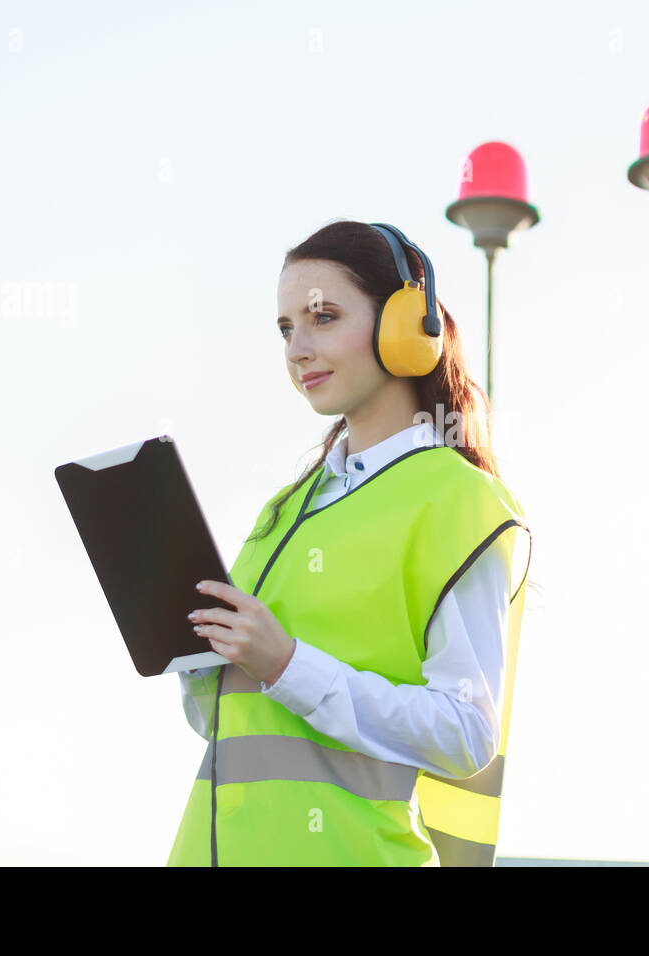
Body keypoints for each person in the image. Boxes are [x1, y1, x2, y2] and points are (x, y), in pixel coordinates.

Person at [166, 219, 532, 866]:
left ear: (404, 328)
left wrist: (286, 664)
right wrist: (194, 663)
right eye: (285, 330)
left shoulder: (456, 499)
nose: (297, 349)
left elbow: (469, 732)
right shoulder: (283, 512)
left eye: (322, 318)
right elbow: (226, 726)